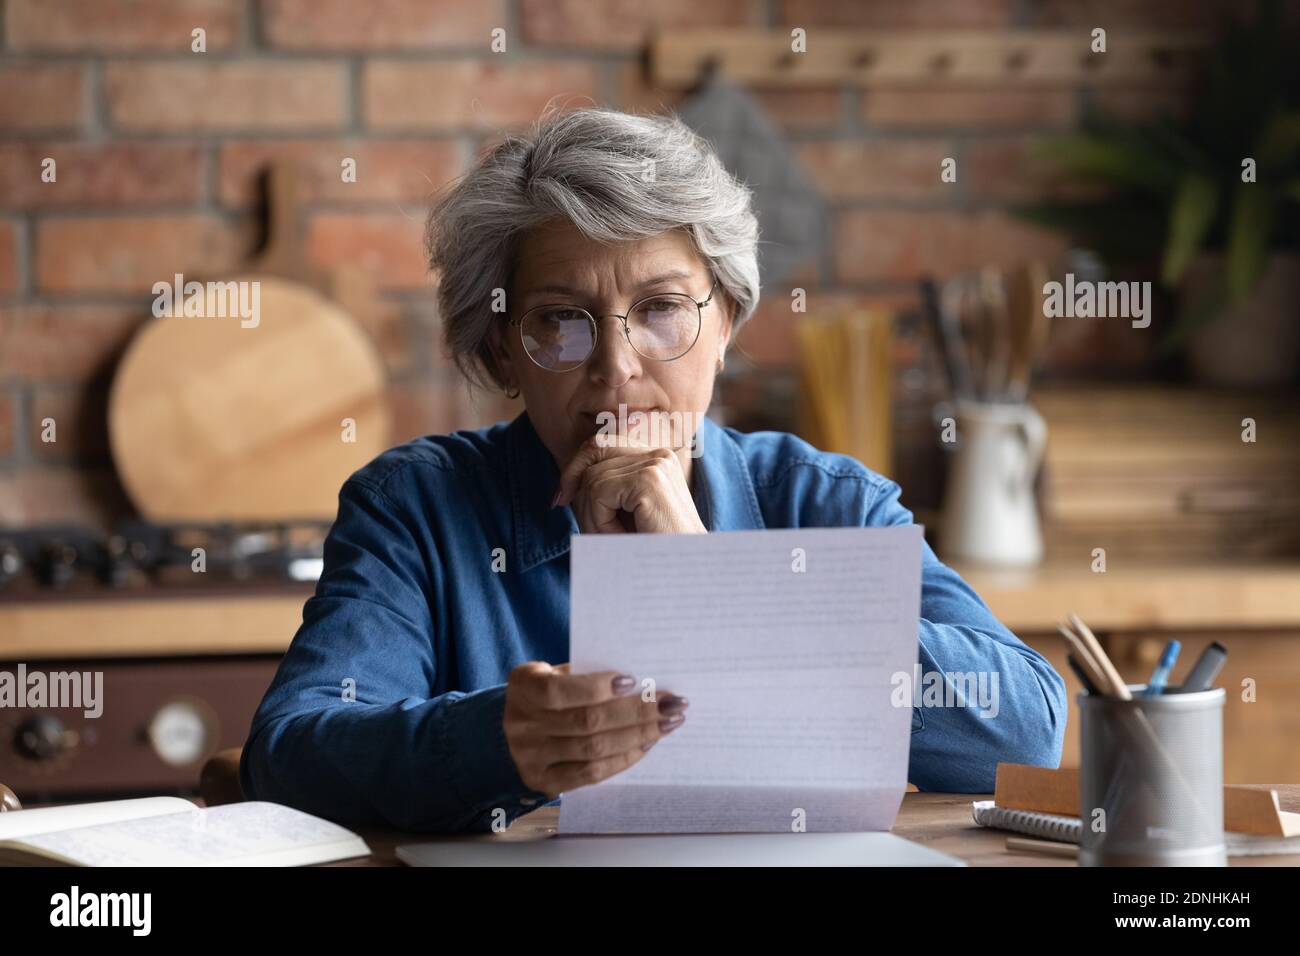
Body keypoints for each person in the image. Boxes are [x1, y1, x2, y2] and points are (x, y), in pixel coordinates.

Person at [240, 107, 1066, 833]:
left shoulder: (822, 498)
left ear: (726, 323)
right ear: (502, 352)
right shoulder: (416, 507)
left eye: (662, 310)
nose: (616, 368)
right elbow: (289, 754)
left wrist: (716, 578)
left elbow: (1024, 728)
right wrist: (499, 744)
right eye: (561, 321)